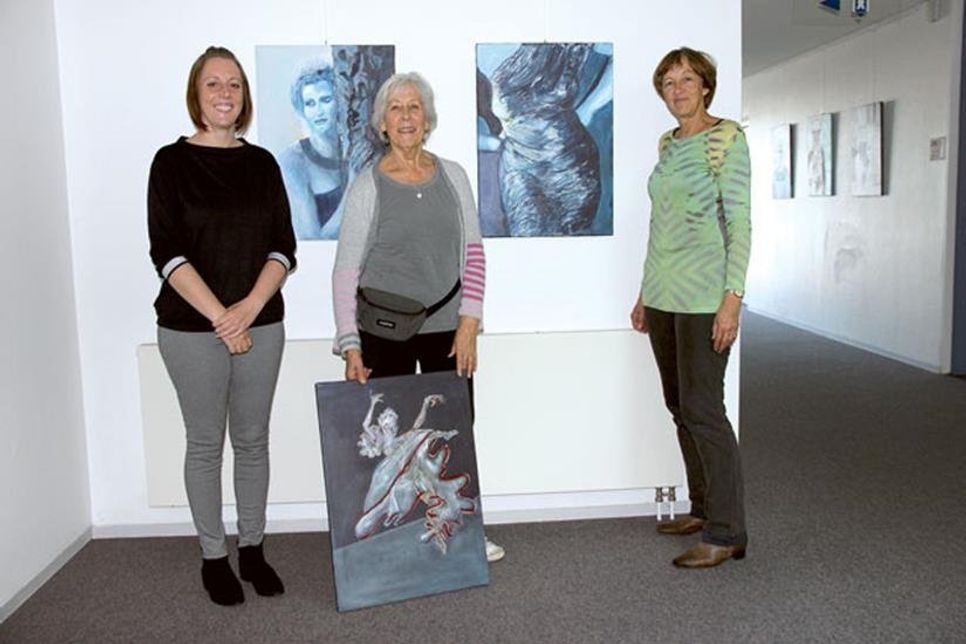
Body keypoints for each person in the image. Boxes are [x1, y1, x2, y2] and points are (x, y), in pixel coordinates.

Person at [331, 72, 505, 563]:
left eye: (414, 107)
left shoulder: (454, 176)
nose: (406, 116)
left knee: (452, 434)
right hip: (382, 334)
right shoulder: (367, 187)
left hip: (448, 331)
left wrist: (470, 322)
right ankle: (393, 540)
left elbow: (474, 253)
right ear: (382, 124)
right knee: (392, 445)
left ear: (427, 120)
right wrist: (349, 343)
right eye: (396, 108)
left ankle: (462, 530)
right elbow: (346, 271)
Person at [147, 46, 297, 605]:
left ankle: (252, 549)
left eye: (233, 84)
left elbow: (283, 247)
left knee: (253, 441)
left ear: (245, 96)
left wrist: (248, 309)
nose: (224, 94)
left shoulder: (263, 164)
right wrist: (223, 318)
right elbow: (166, 252)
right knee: (206, 444)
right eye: (213, 84)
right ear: (196, 93)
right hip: (191, 329)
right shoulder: (170, 163)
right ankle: (214, 557)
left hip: (261, 323)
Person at [631, 47, 751, 568]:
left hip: (705, 299)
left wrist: (732, 300)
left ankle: (726, 533)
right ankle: (701, 509)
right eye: (668, 82)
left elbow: (741, 224)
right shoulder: (668, 143)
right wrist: (644, 292)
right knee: (680, 407)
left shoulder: (727, 139)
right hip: (663, 297)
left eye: (687, 79)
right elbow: (660, 225)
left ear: (705, 86)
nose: (677, 90)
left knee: (705, 412)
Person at [278, 62, 344, 240]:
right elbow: (311, 238)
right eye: (310, 103)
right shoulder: (292, 160)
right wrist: (354, 183)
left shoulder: (355, 153)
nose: (318, 111)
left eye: (326, 100)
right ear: (302, 110)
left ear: (340, 104)